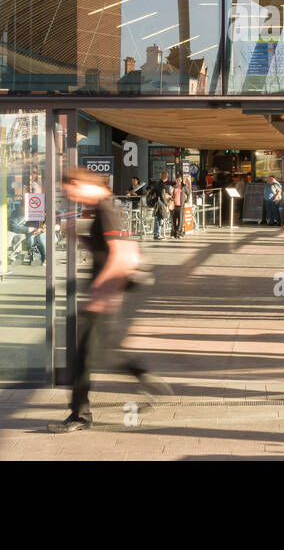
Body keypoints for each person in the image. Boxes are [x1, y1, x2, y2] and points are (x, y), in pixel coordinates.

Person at [49, 166, 170, 434]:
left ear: (81, 184)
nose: (73, 197)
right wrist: (79, 238)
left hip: (102, 294)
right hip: (104, 293)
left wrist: (103, 293)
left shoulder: (106, 209)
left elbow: (121, 254)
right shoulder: (106, 206)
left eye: (71, 191)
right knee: (105, 350)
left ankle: (81, 416)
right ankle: (143, 377)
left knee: (82, 357)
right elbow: (108, 248)